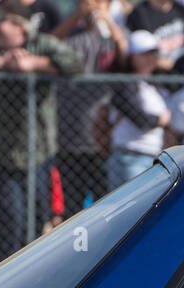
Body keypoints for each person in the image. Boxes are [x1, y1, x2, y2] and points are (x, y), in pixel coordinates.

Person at [0, 2, 81, 267]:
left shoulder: (40, 43)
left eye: (6, 21)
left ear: (21, 28)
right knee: (10, 218)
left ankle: (34, 274)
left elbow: (74, 64)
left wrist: (35, 64)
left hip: (38, 151)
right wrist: (3, 62)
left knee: (37, 219)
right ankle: (7, 274)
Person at [55, 0, 125, 216]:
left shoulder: (112, 37)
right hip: (69, 138)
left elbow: (127, 54)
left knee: (106, 207)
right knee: (72, 209)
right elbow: (48, 42)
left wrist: (109, 23)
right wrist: (76, 16)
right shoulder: (71, 36)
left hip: (102, 139)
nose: (92, 5)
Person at [106, 28, 166, 187]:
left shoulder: (151, 84)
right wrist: (161, 119)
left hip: (150, 158)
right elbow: (140, 119)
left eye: (153, 53)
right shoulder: (126, 84)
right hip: (131, 158)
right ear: (132, 57)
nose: (151, 59)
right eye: (145, 54)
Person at [124, 0, 184, 69]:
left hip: (182, 72)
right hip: (152, 72)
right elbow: (133, 51)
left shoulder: (182, 11)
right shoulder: (139, 13)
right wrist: (158, 62)